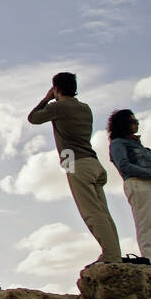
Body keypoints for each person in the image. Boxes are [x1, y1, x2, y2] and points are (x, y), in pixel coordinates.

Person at [27, 72, 122, 265]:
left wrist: (46, 99)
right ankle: (112, 252)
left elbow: (33, 118)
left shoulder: (59, 107)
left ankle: (112, 257)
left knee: (92, 213)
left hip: (77, 165)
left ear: (57, 89)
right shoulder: (85, 108)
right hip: (93, 163)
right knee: (103, 212)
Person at [107, 109, 151, 266]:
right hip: (139, 183)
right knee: (146, 225)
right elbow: (124, 166)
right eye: (132, 121)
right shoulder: (118, 143)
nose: (136, 123)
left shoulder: (136, 143)